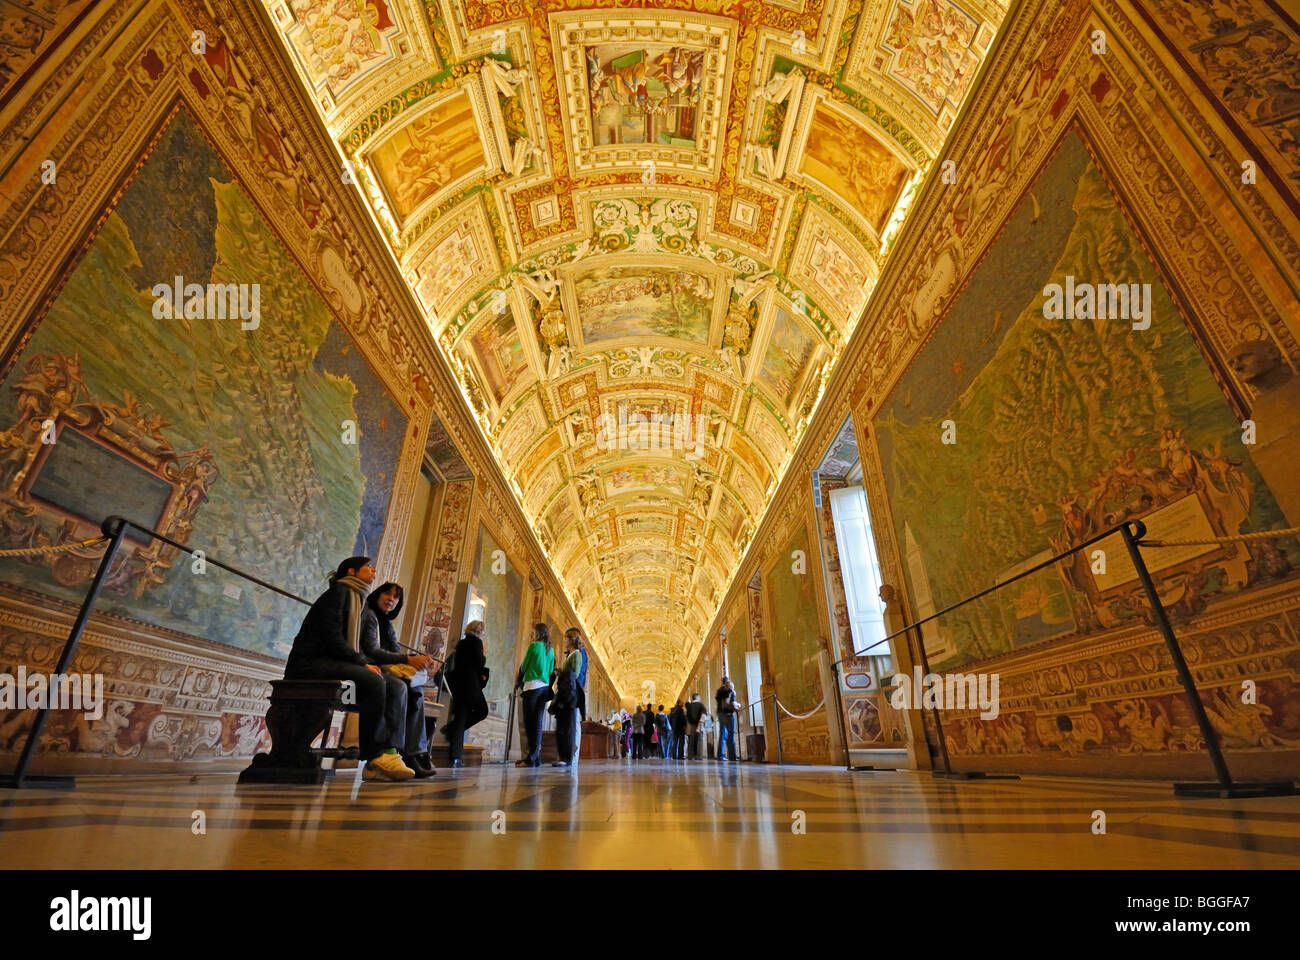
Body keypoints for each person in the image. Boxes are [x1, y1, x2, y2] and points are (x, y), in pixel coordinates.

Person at [285, 556, 413, 782]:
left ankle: (390, 753)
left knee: (395, 685)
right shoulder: (338, 594)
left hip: (333, 662)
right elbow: (331, 638)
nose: (373, 570)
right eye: (368, 567)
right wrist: (363, 663)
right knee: (375, 680)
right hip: (311, 662)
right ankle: (374, 758)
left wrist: (364, 663)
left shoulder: (356, 598)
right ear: (352, 572)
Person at [359, 582, 437, 777]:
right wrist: (408, 659)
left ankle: (413, 753)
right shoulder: (368, 615)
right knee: (400, 687)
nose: (391, 599)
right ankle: (396, 753)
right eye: (387, 593)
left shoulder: (387, 624)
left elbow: (394, 651)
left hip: (384, 670)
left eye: (396, 597)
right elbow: (371, 651)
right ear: (377, 594)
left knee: (416, 688)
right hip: (368, 669)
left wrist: (422, 663)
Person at [441, 619, 490, 767]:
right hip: (471, 684)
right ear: (479, 631)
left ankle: (455, 758)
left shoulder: (461, 643)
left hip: (458, 684)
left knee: (461, 717)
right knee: (482, 711)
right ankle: (450, 730)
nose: (483, 634)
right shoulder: (477, 643)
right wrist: (484, 654)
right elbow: (480, 663)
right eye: (483, 631)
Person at [514, 623, 555, 767]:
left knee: (529, 724)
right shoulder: (551, 650)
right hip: (544, 689)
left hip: (531, 688)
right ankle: (535, 757)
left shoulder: (533, 646)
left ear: (537, 633)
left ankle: (531, 758)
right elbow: (550, 672)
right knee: (537, 724)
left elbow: (524, 666)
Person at [549, 650, 579, 767]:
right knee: (562, 730)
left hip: (568, 702)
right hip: (565, 700)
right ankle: (564, 757)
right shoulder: (567, 672)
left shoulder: (576, 657)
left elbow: (573, 681)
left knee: (567, 730)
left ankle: (566, 758)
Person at [564, 628, 588, 766]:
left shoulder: (579, 654)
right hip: (574, 690)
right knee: (572, 724)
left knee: (574, 724)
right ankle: (571, 756)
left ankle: (573, 757)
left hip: (574, 691)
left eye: (566, 637)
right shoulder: (576, 653)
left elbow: (578, 675)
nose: (565, 640)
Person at [715, 676, 738, 762]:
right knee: (730, 734)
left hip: (720, 713)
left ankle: (720, 755)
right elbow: (726, 703)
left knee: (722, 734)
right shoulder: (728, 691)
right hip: (727, 713)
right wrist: (736, 706)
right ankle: (732, 756)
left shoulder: (719, 691)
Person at [684, 693, 707, 760]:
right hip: (699, 724)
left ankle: (690, 756)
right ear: (697, 697)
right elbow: (705, 712)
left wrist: (692, 722)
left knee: (691, 740)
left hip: (692, 725)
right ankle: (699, 756)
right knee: (700, 740)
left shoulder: (689, 706)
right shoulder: (700, 705)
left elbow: (688, 716)